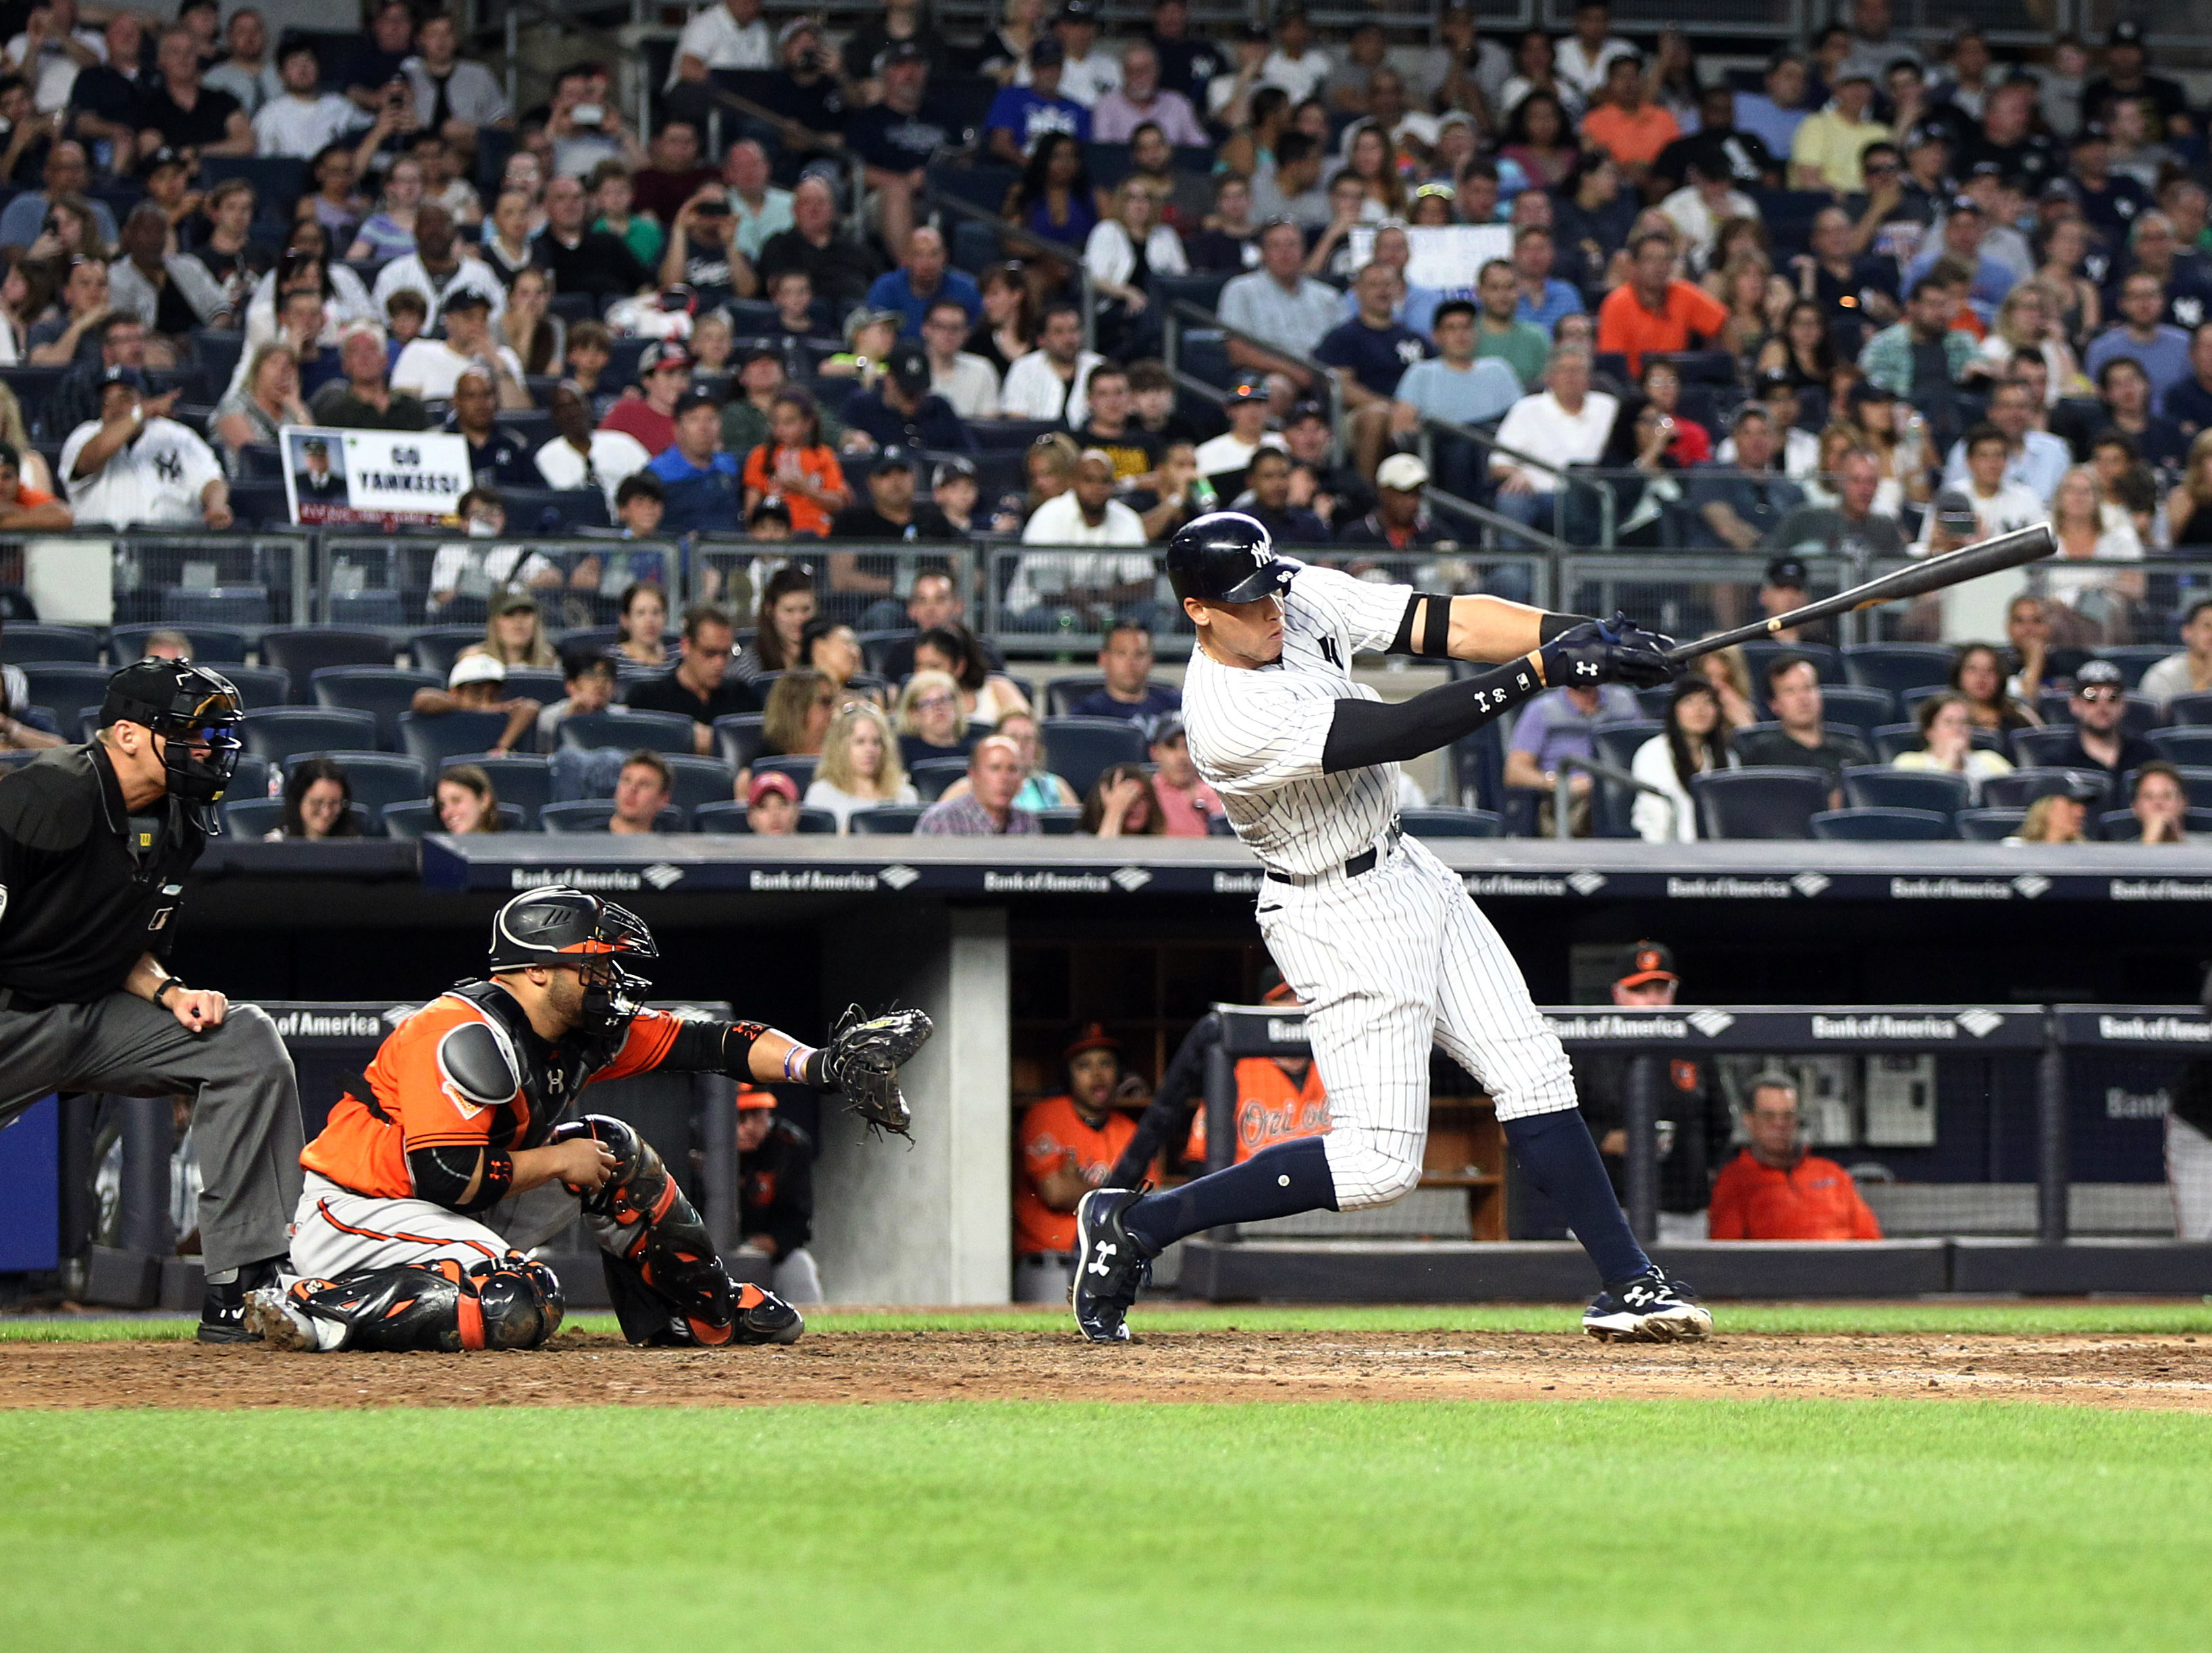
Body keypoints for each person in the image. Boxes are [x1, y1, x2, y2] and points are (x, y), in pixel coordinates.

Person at [1070, 513, 1701, 1344]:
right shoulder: (1223, 715)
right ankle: (1137, 1227)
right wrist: (1544, 670)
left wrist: (1582, 636)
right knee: (1377, 1166)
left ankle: (1631, 1284)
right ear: (1198, 610)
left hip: (1408, 868)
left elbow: (1450, 622)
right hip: (1334, 909)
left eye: (1270, 589)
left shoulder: (1293, 592)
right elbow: (1394, 733)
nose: (1272, 610)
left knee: (1535, 1072)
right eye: (1248, 602)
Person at [248, 886, 926, 1352]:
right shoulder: (461, 1032)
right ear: (541, 972)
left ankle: (703, 1314)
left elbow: (715, 1042)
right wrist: (555, 1163)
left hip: (451, 1206)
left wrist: (821, 1066)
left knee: (614, 1154)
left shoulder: (578, 1029)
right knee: (518, 1300)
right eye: (596, 968)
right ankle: (314, 1305)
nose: (611, 982)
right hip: (361, 1212)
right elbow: (446, 1175)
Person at [0, 660, 301, 1341]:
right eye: (193, 732)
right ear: (129, 734)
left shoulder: (181, 820)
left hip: (92, 1013)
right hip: (11, 1016)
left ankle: (245, 1289)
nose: (210, 749)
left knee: (244, 1046)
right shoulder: (47, 796)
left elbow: (111, 934)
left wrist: (168, 991)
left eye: (216, 734)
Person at [1013, 1024, 1140, 1302]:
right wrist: (1114, 1194)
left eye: (1106, 1064)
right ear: (1067, 1075)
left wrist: (1080, 1185)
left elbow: (1140, 1204)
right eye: (1084, 1066)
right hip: (1050, 1268)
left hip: (1110, 1266)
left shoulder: (1130, 1131)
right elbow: (1055, 1193)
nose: (1097, 1075)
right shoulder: (1045, 1116)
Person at [1706, 1074, 1882, 1241]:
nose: (1779, 1124)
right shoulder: (1735, 1180)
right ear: (1749, 1120)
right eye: (1769, 1116)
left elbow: (1869, 1240)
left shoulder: (1831, 1172)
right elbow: (1727, 1256)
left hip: (1843, 1268)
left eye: (1788, 1115)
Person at [60, 368, 231, 530]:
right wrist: (140, 413)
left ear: (143, 398)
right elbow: (91, 458)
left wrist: (216, 507)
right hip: (102, 551)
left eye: (125, 398)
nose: (115, 407)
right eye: (107, 401)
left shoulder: (177, 436)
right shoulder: (85, 435)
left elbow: (211, 480)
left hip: (172, 548)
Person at [1489, 347, 1620, 545]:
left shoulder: (1608, 407)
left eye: (1578, 371)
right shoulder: (1527, 409)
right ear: (1550, 377)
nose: (1571, 377)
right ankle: (1514, 572)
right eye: (1564, 370)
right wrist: (1516, 474)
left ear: (1589, 377)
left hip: (1591, 495)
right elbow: (1497, 462)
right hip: (1541, 494)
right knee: (1511, 500)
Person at [1736, 653, 1874, 808]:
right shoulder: (1761, 755)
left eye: (1808, 688)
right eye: (1790, 691)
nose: (1803, 698)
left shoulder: (1854, 753)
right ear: (1774, 704)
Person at [1217, 219, 1342, 390]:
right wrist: (1292, 371)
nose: (1285, 253)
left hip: (1324, 375)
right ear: (1263, 253)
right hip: (1266, 374)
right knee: (1275, 387)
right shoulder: (1241, 289)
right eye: (1276, 246)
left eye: (1292, 245)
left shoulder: (1328, 296)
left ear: (1304, 251)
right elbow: (1238, 351)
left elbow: (1345, 347)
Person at [625, 603, 756, 753]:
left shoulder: (742, 696)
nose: (719, 663)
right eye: (709, 653)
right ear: (686, 646)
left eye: (725, 654)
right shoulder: (648, 699)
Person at [733, 1085, 820, 1303]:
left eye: (757, 1114)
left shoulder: (790, 1146)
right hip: (706, 1259)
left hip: (770, 1257)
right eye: (740, 1117)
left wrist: (767, 1243)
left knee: (800, 1266)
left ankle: (811, 1336)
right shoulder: (695, 1143)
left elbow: (798, 1223)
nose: (749, 1127)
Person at [1631, 677, 1732, 843]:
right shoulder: (1652, 752)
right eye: (1689, 702)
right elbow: (1654, 814)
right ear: (1674, 710)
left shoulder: (1728, 756)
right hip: (1662, 851)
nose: (1699, 710)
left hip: (1718, 854)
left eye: (1708, 702)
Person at [391, 288, 525, 406]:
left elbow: (519, 413)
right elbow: (403, 407)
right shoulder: (420, 350)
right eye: (469, 317)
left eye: (483, 318)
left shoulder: (504, 357)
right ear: (449, 321)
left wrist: (496, 362)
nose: (478, 325)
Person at [2042, 659, 2158, 791]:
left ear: (2123, 704)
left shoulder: (2146, 754)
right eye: (2091, 697)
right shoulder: (2057, 762)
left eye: (2112, 697)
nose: (2102, 706)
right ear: (2074, 704)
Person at [805, 702, 916, 833]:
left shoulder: (905, 796)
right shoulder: (821, 795)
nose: (870, 750)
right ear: (841, 747)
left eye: (876, 742)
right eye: (860, 742)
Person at [409, 654, 541, 758]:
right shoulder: (445, 709)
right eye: (476, 694)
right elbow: (422, 699)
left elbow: (531, 707)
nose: (486, 703)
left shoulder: (505, 713)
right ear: (455, 692)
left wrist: (502, 747)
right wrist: (472, 707)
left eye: (492, 696)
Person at [1000, 300, 1104, 427]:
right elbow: (1016, 417)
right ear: (1041, 340)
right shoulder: (1024, 368)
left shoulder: (1099, 366)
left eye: (1074, 330)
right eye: (1059, 332)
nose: (1069, 339)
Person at [1893, 691, 2013, 801]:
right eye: (1948, 722)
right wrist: (1950, 760)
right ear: (1929, 731)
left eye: (1964, 722)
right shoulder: (1909, 763)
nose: (1958, 729)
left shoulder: (1989, 761)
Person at [916, 733, 1036, 836]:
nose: (1004, 779)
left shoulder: (1027, 822)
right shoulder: (940, 821)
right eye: (995, 768)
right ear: (973, 774)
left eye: (1012, 769)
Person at [1067, 621, 1179, 726]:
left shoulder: (1175, 707)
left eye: (1139, 654)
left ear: (1151, 661)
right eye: (1121, 654)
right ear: (1103, 659)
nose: (1131, 663)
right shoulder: (1086, 716)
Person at [1144, 715, 1221, 836]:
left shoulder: (1221, 795)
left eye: (1189, 746)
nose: (1182, 757)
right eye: (1171, 746)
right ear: (1155, 753)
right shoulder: (1146, 795)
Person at [532, 646, 616, 754]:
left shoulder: (623, 716)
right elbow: (548, 756)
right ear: (571, 686)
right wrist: (569, 716)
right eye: (590, 675)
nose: (600, 683)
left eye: (607, 676)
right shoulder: (550, 716)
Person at [2140, 599, 2212, 712]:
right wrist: (2205, 679)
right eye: (2208, 627)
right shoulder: (2163, 676)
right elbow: (2169, 725)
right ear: (2187, 632)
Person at [269, 757, 359, 841]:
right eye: (317, 802)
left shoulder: (356, 846)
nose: (326, 813)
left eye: (334, 803)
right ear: (299, 799)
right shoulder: (275, 844)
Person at [604, 750, 671, 835]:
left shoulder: (670, 844)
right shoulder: (585, 837)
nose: (632, 789)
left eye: (644, 784)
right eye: (627, 780)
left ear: (664, 800)